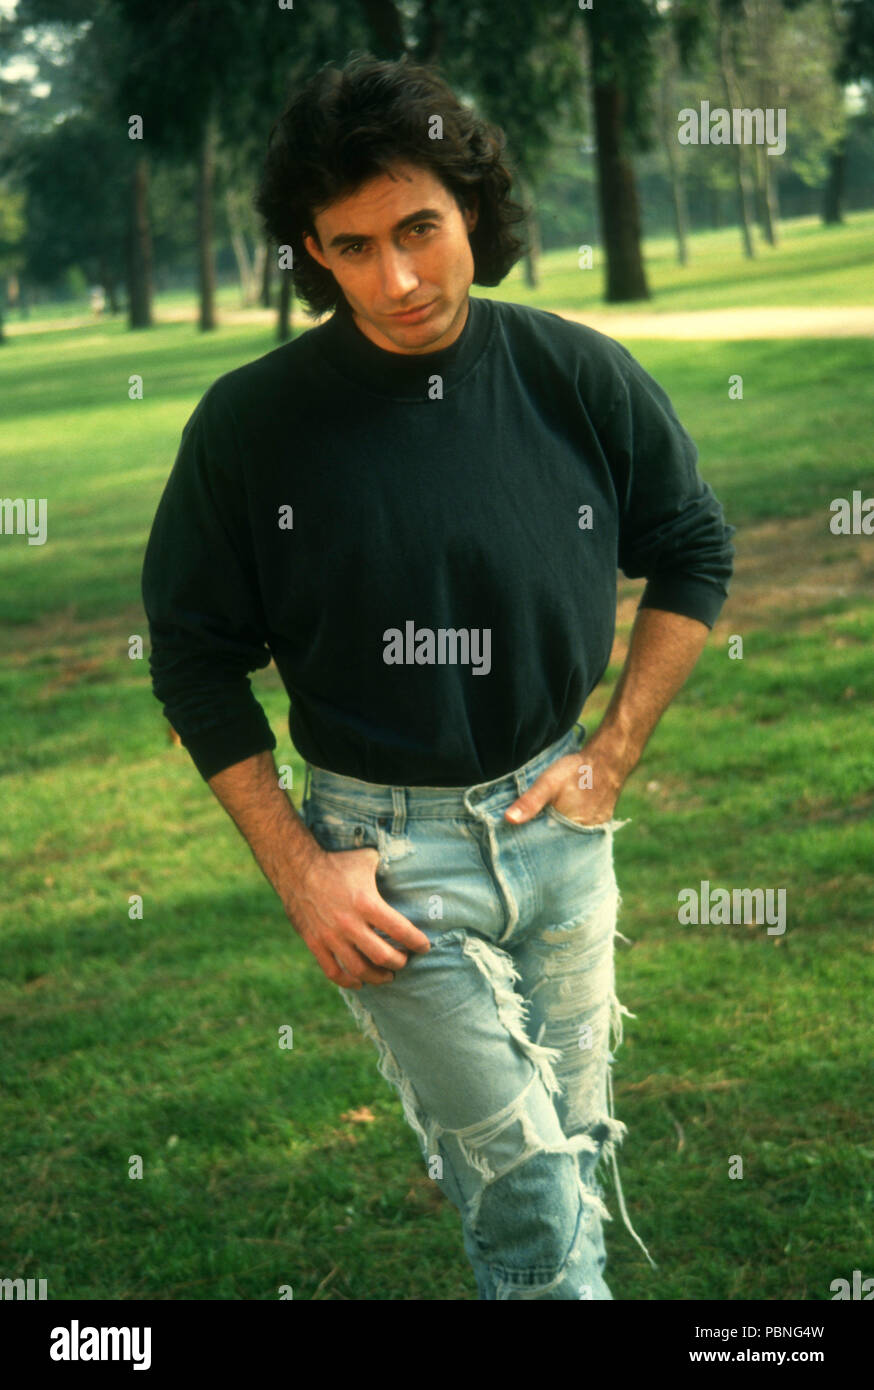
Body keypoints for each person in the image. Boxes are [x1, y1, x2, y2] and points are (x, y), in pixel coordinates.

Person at [141, 53, 735, 1300]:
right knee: (523, 1189)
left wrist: (612, 751)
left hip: (560, 826)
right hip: (384, 867)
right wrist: (301, 866)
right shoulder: (251, 428)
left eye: (419, 228)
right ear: (312, 254)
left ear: (471, 211)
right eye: (352, 247)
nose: (397, 278)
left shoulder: (573, 373)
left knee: (571, 1155)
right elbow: (192, 657)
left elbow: (690, 547)